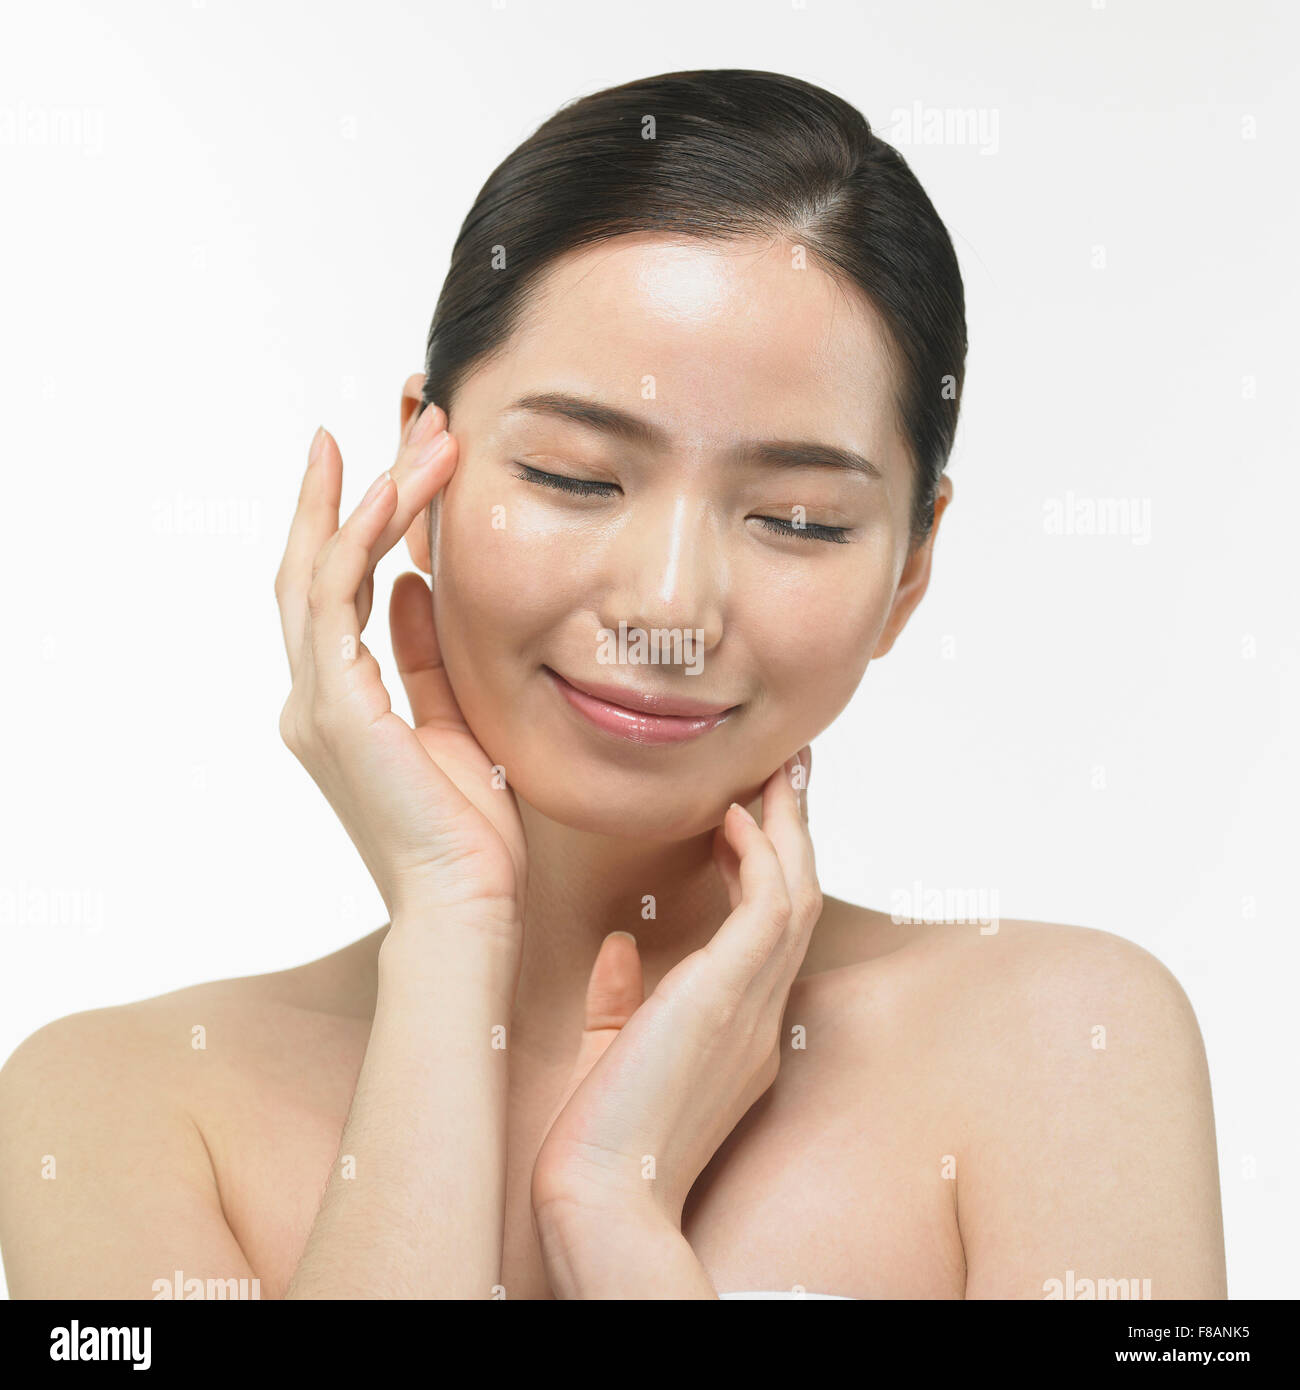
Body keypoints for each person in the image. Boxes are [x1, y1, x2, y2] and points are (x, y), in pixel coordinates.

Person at [0, 69, 1226, 1300]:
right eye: (578, 477)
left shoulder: (1070, 1045)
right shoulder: (107, 1105)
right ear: (420, 470)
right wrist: (447, 933)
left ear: (910, 569)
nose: (668, 612)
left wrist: (616, 1217)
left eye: (796, 518)